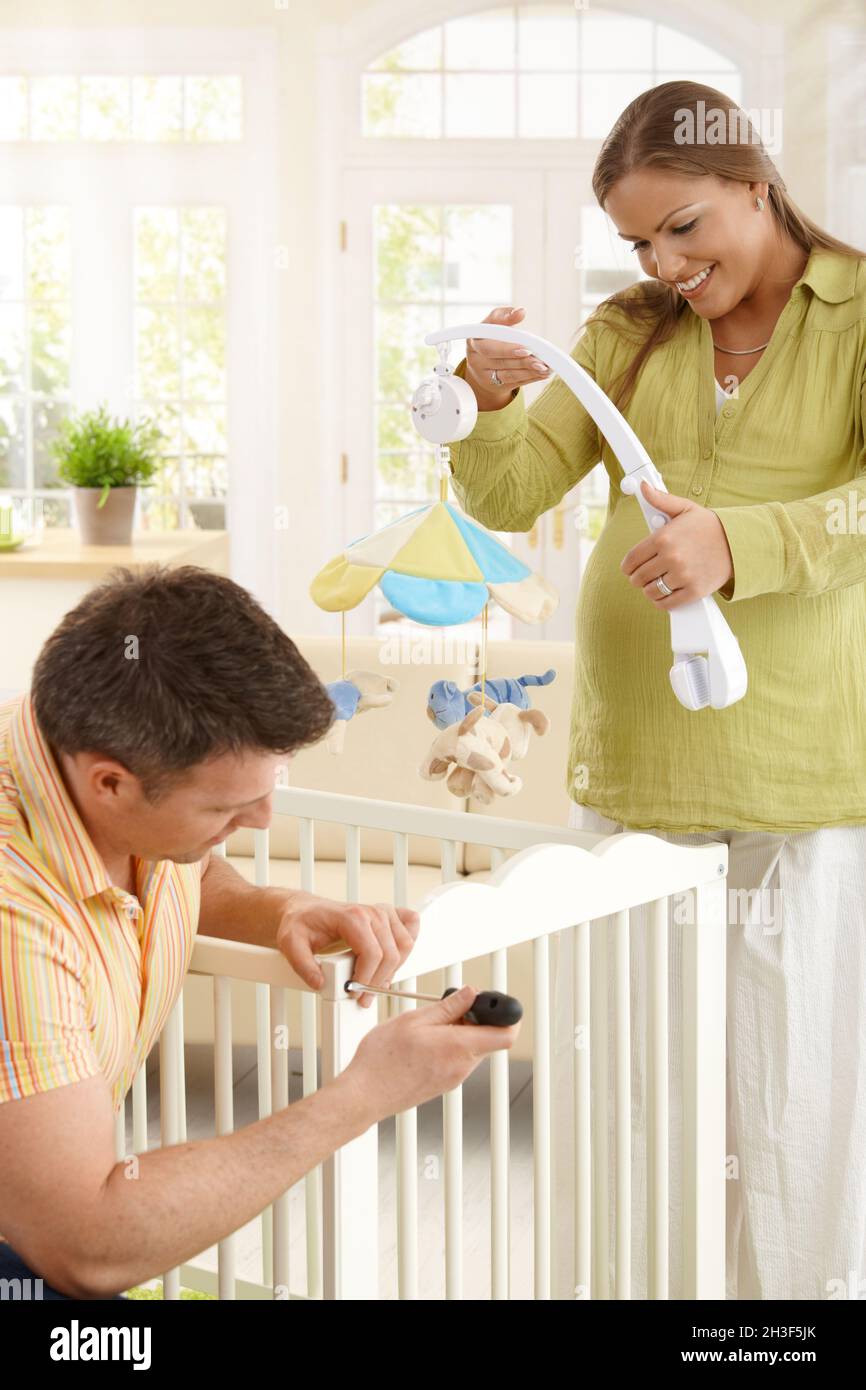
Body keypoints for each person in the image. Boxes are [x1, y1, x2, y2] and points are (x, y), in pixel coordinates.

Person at [447, 80, 866, 1300]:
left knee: (787, 1101)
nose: (663, 260)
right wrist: (484, 406)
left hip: (799, 768)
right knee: (628, 1088)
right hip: (637, 764)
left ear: (752, 182)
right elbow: (510, 495)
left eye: (683, 226)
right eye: (636, 239)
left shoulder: (856, 317)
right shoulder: (626, 331)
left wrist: (741, 541)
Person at [0, 563, 519, 1299]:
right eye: (223, 811)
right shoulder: (13, 909)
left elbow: (184, 870)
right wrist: (362, 1094)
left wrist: (274, 910)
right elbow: (85, 1247)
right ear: (109, 782)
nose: (261, 824)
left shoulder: (70, 739)